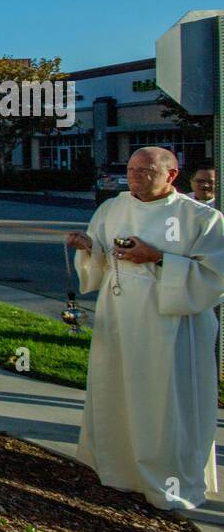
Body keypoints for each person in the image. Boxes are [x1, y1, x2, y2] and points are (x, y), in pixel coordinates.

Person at [65, 146, 224, 510]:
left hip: (170, 325)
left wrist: (157, 257)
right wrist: (88, 247)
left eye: (146, 171)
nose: (135, 176)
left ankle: (164, 479)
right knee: (116, 389)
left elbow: (214, 275)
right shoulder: (113, 207)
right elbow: (101, 258)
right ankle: (118, 468)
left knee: (164, 398)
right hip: (118, 317)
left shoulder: (200, 217)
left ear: (171, 175)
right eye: (132, 169)